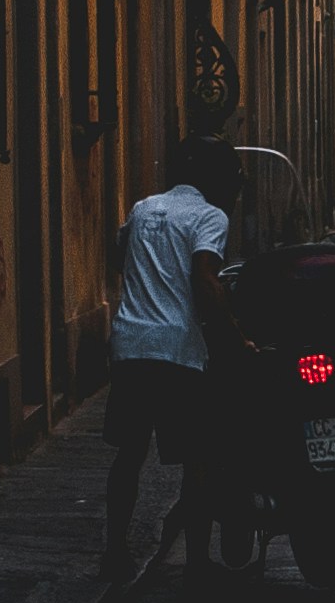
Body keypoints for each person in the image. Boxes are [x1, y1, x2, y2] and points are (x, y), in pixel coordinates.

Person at [102, 138, 241, 575]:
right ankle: (198, 560)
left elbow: (118, 255)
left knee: (129, 454)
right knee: (197, 457)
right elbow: (206, 278)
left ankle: (114, 550)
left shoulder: (143, 208)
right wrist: (234, 335)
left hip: (130, 345)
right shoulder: (209, 216)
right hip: (178, 350)